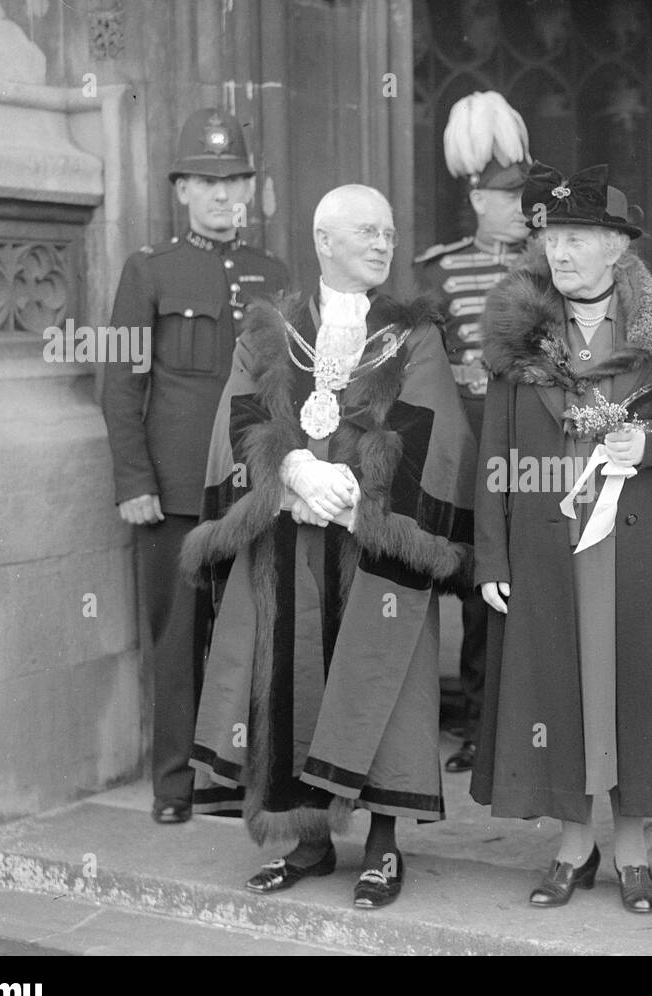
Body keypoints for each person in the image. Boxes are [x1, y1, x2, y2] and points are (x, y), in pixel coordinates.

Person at [181, 185, 476, 908]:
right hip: (285, 541)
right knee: (289, 679)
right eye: (366, 231)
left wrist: (355, 496)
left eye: (389, 231)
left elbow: (437, 433)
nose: (383, 243)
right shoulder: (270, 330)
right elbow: (239, 414)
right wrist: (289, 472)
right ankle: (308, 842)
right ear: (323, 240)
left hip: (368, 548)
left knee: (379, 683)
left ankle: (382, 848)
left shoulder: (415, 335)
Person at [471, 162, 652, 914]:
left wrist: (647, 443)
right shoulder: (520, 326)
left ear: (619, 246)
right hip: (549, 548)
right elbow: (494, 451)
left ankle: (635, 851)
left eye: (581, 237)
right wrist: (491, 553)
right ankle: (573, 846)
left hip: (639, 545)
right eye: (554, 236)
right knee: (561, 688)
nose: (563, 251)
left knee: (635, 689)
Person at [101, 108, 290, 825]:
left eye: (235, 180)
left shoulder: (272, 274)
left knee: (251, 631)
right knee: (178, 637)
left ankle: (235, 779)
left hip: (250, 487)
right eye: (206, 182)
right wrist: (134, 483)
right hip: (175, 491)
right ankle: (175, 785)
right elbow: (121, 383)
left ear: (250, 188)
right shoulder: (148, 270)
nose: (222, 195)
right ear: (180, 189)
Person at [414, 91, 532, 773]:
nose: (521, 207)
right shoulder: (440, 266)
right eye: (507, 195)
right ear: (477, 197)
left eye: (525, 195)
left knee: (510, 588)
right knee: (463, 585)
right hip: (461, 448)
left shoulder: (550, 265)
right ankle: (466, 724)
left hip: (528, 451)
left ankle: (504, 725)